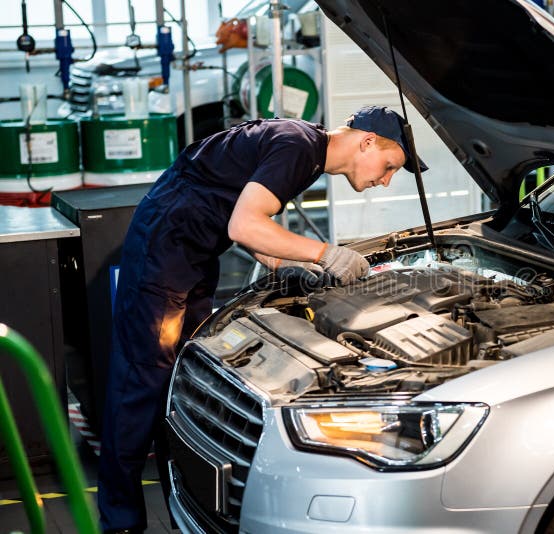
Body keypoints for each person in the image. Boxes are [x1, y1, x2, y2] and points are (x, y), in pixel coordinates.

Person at [97, 105, 427, 533]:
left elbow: (235, 204)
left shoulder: (304, 149)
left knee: (185, 380)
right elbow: (244, 225)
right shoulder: (298, 147)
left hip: (191, 254)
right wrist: (326, 253)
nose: (385, 181)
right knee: (140, 386)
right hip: (164, 252)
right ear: (367, 142)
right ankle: (119, 523)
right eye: (389, 167)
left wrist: (280, 264)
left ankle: (185, 506)